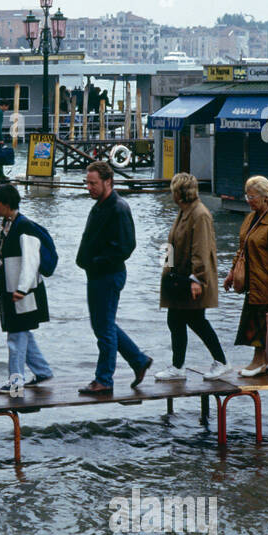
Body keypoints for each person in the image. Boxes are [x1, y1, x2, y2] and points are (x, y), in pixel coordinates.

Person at [76, 161, 152, 393]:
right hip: (97, 274)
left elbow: (126, 246)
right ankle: (138, 360)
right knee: (103, 325)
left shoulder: (118, 207)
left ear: (108, 181)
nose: (88, 187)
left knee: (104, 328)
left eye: (93, 183)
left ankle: (104, 380)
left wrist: (98, 261)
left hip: (108, 275)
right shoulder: (101, 204)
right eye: (87, 183)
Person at [154, 172, 229, 381]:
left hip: (191, 280)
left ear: (179, 193)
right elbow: (170, 243)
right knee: (175, 321)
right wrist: (165, 270)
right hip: (177, 278)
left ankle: (221, 362)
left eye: (173, 191)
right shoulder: (184, 211)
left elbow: (201, 249)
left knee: (196, 321)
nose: (171, 194)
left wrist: (198, 279)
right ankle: (178, 367)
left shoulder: (199, 214)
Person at [225, 175, 268, 375]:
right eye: (247, 196)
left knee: (262, 321)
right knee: (255, 318)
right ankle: (266, 361)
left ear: (265, 196)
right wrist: (232, 271)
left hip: (267, 280)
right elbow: (242, 248)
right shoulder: (250, 218)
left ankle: (258, 361)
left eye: (252, 196)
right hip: (252, 281)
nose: (248, 200)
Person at [0, 183, 52, 395]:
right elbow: (4, 260)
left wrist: (22, 289)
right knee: (22, 332)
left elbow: (31, 261)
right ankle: (43, 371)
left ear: (6, 204)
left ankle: (16, 383)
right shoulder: (8, 224)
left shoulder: (23, 226)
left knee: (15, 337)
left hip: (21, 293)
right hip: (11, 290)